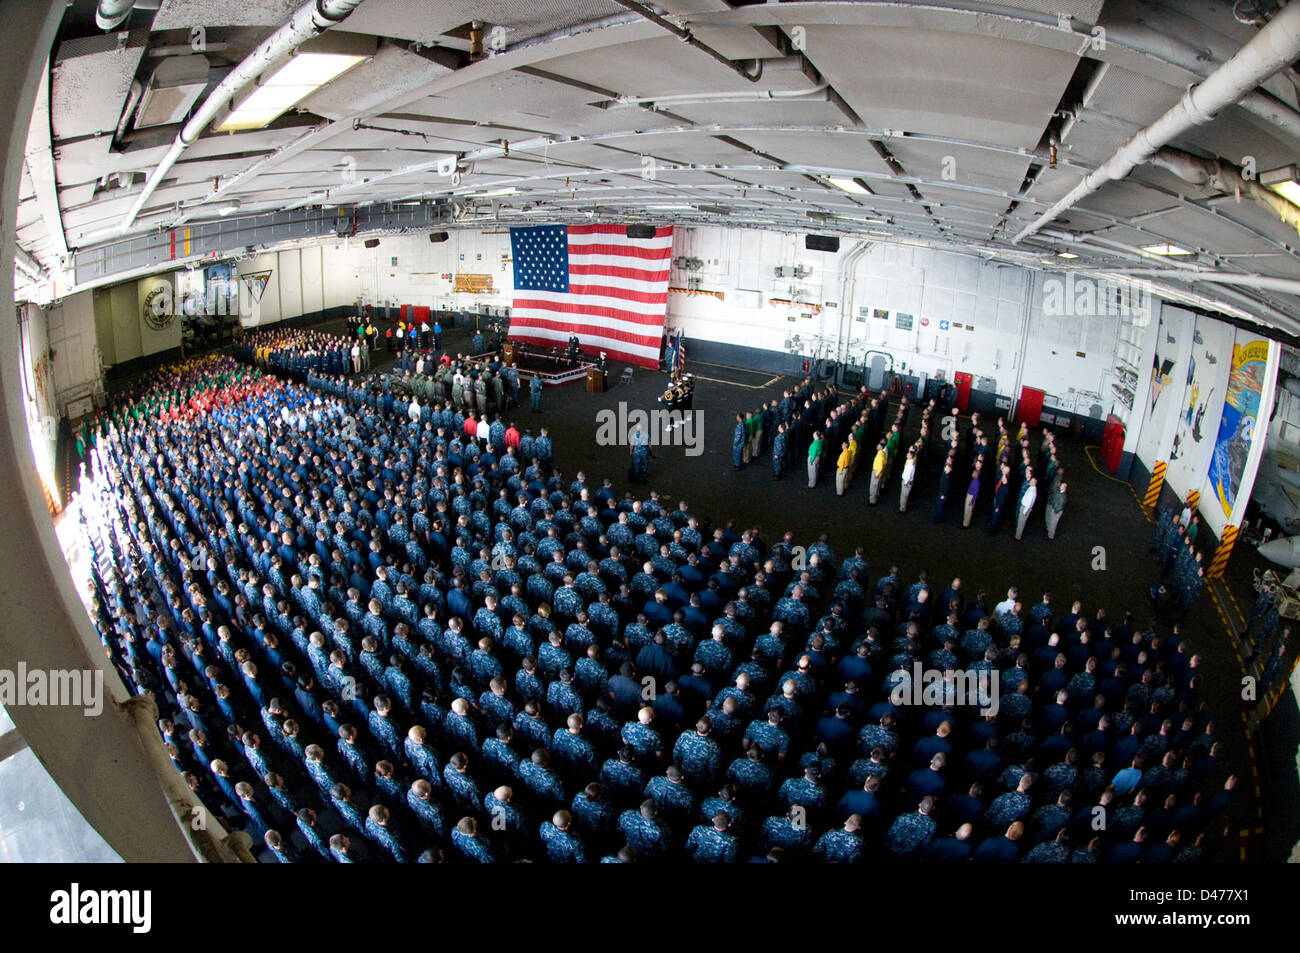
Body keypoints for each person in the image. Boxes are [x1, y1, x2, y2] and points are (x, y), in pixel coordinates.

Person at [899, 449, 917, 513]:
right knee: (903, 495)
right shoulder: (910, 462)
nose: (907, 454)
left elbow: (908, 475)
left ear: (911, 456)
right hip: (906, 481)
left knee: (904, 495)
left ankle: (902, 509)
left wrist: (906, 482)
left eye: (908, 454)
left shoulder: (911, 465)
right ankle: (902, 507)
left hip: (907, 482)